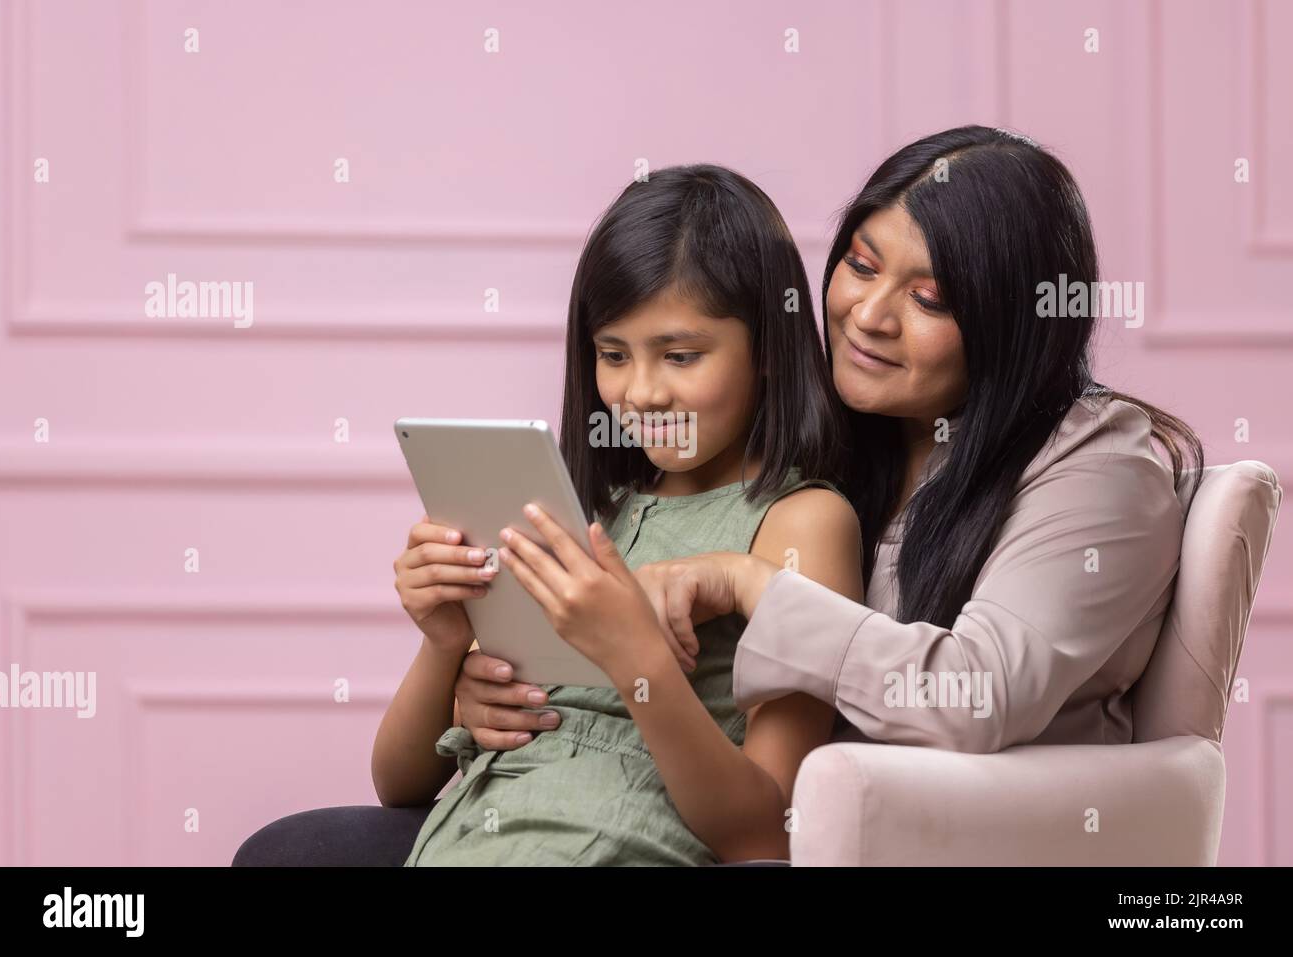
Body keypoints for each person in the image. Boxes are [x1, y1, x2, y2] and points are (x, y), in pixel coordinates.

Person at [458, 125, 1203, 768]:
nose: (867, 314)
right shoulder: (844, 438)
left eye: (930, 297)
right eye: (862, 264)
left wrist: (750, 582)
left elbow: (976, 696)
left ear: (1016, 319)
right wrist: (492, 687)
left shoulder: (1101, 465)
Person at [386, 163, 864, 866]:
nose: (640, 393)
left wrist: (636, 658)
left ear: (767, 347)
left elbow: (769, 829)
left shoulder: (802, 521)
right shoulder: (580, 512)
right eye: (613, 354)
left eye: (680, 355)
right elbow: (396, 783)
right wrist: (444, 645)